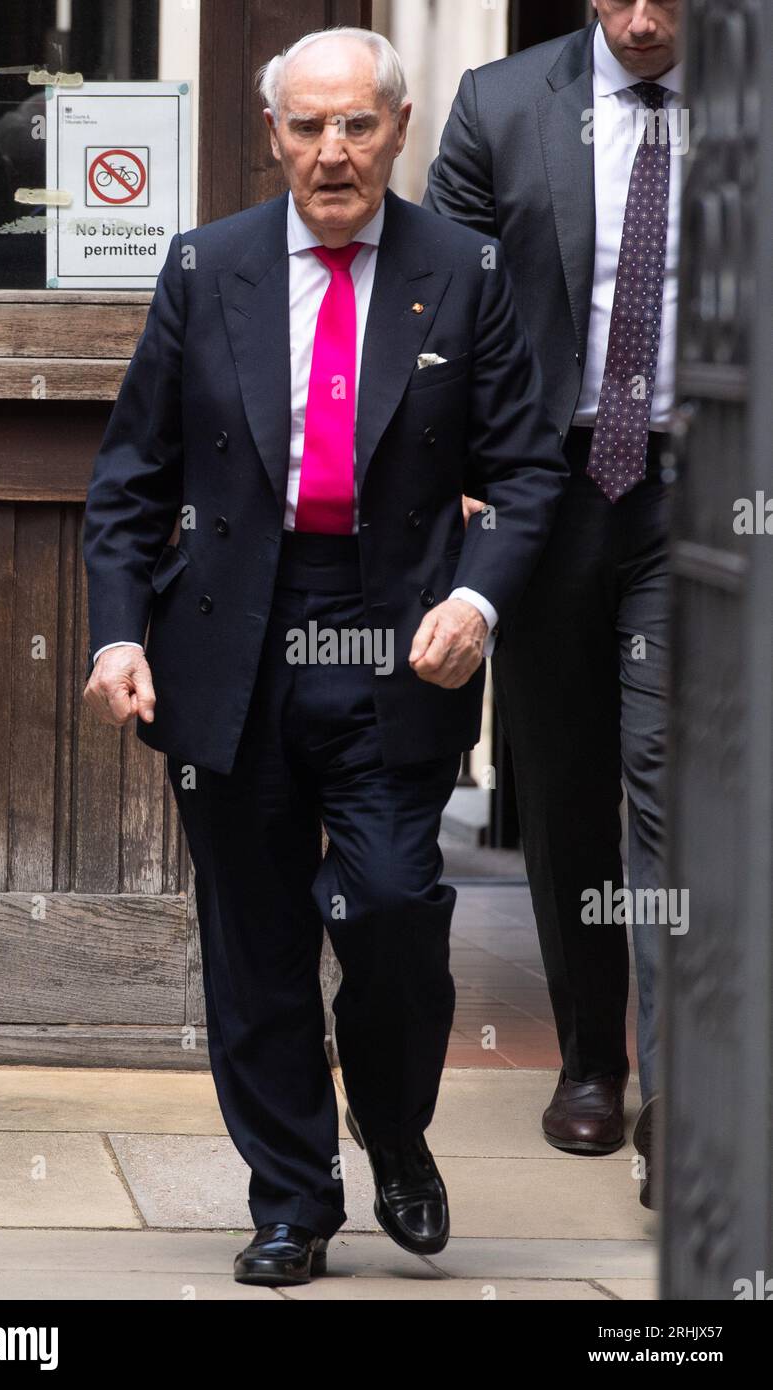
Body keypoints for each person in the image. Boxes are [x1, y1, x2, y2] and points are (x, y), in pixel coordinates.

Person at [83, 27, 567, 1285]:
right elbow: (131, 477)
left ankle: (394, 1131)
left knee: (395, 910)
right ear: (272, 135)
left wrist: (478, 604)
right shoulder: (209, 266)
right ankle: (291, 1200)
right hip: (228, 644)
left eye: (356, 124)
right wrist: (119, 628)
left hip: (396, 641)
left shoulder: (460, 268)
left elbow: (522, 472)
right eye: (307, 126)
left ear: (398, 128)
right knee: (254, 942)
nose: (331, 151)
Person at [425, 0, 684, 1207]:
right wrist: (458, 473)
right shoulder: (496, 105)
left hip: (703, 486)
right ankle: (589, 1060)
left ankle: (685, 1096)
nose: (641, 20)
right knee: (567, 780)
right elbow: (441, 297)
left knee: (672, 776)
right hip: (544, 487)